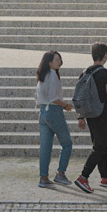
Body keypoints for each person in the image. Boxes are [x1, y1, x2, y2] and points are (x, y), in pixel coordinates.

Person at [73, 42, 107, 191]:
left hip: (90, 114)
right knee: (100, 146)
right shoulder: (106, 74)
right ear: (105, 56)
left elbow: (82, 96)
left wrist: (81, 116)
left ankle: (105, 177)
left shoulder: (85, 72)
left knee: (100, 145)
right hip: (103, 114)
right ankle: (83, 177)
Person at [35, 50, 75, 187]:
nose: (60, 61)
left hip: (43, 112)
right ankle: (60, 174)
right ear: (50, 62)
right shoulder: (52, 75)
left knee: (45, 147)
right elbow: (53, 98)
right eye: (57, 59)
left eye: (60, 59)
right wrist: (66, 105)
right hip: (54, 111)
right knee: (67, 143)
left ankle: (43, 177)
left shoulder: (42, 76)